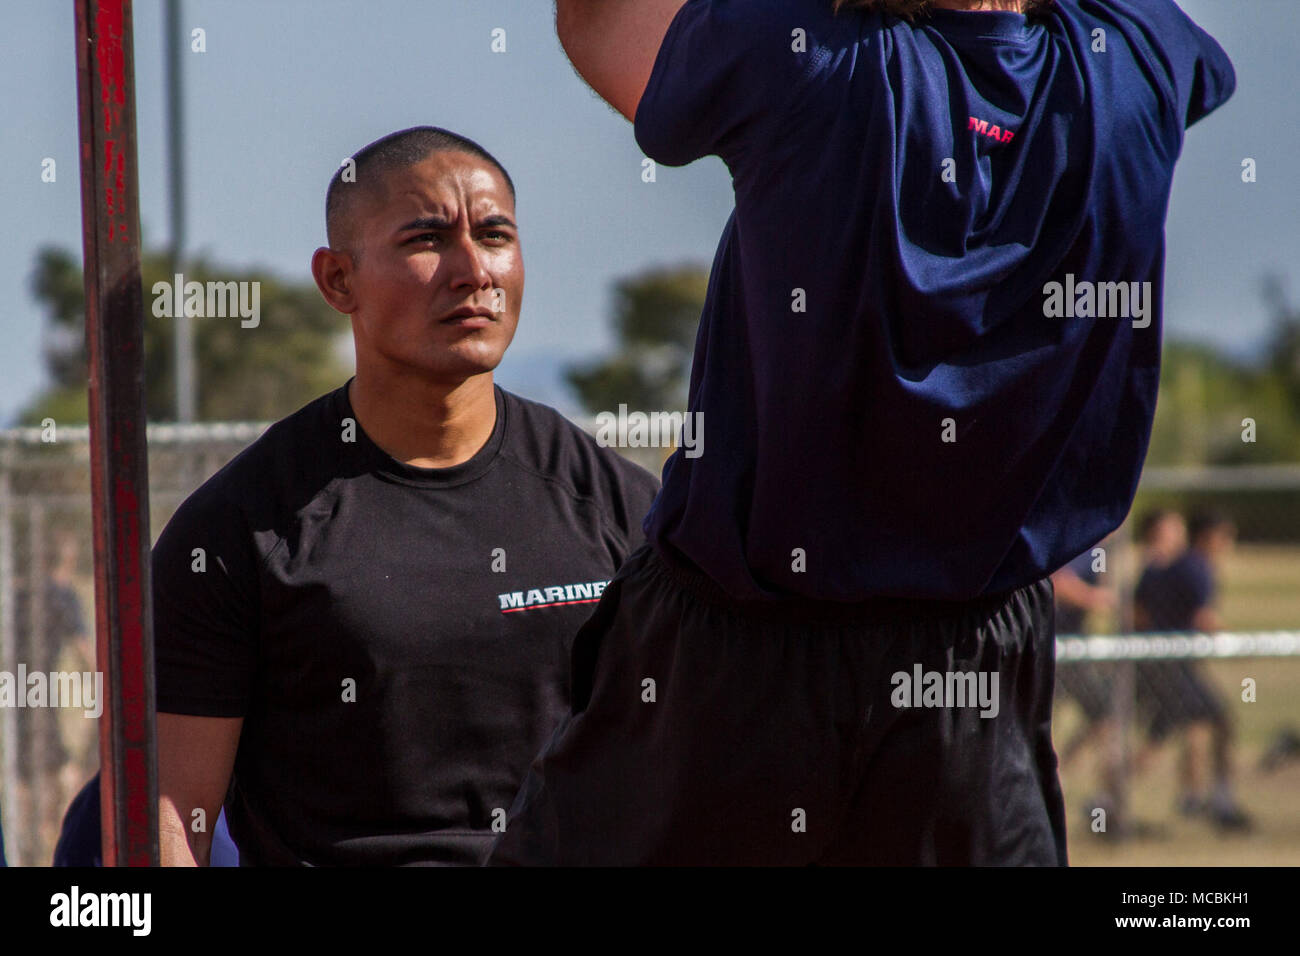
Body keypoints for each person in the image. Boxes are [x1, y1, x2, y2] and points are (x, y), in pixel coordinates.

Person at [490, 0, 1234, 865]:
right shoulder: (1138, 60)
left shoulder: (792, 47)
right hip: (974, 677)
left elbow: (601, 25)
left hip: (736, 663)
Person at [153, 127, 659, 865]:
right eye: (426, 239)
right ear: (338, 281)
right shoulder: (235, 532)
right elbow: (169, 820)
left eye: (494, 234)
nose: (472, 269)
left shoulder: (619, 506)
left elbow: (696, 759)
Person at [1133, 510, 1250, 830]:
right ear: (1207, 537)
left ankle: (1112, 796)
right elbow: (1203, 618)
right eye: (1224, 537)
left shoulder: (1160, 566)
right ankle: (1216, 799)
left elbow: (1138, 614)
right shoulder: (1196, 567)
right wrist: (1240, 647)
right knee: (1218, 719)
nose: (1228, 544)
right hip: (1173, 665)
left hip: (1155, 663)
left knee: (1165, 735)